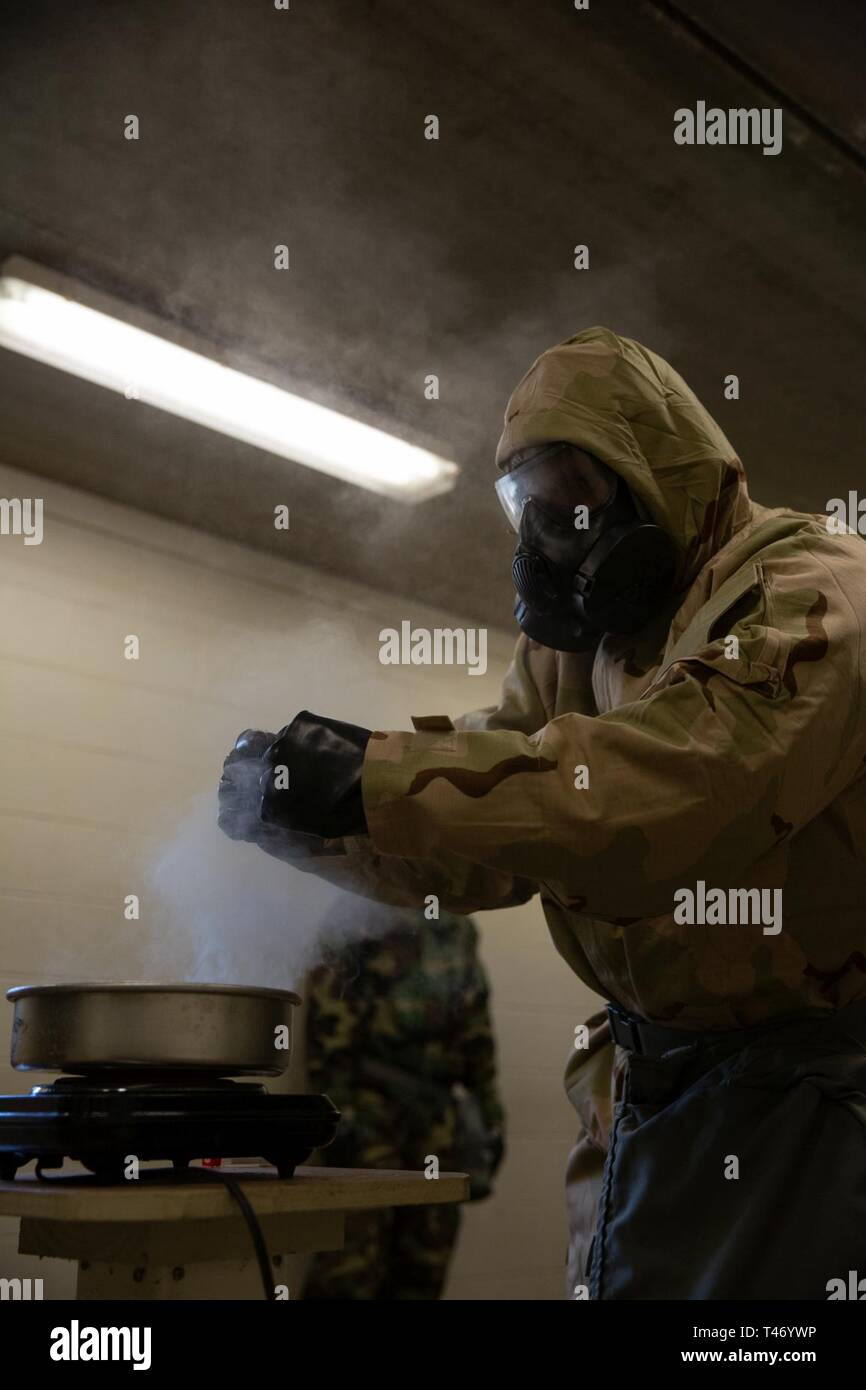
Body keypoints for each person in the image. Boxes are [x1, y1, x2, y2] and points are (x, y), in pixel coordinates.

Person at [219, 325, 866, 1300]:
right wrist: (301, 810)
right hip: (649, 1092)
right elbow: (486, 827)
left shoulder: (812, 594)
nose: (546, 534)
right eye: (526, 507)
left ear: (658, 475)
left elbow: (657, 802)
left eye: (569, 499)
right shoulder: (586, 645)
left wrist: (375, 778)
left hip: (808, 1099)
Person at [302, 904, 504, 1300]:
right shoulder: (356, 911)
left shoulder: (457, 926)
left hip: (436, 1116)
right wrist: (341, 1114)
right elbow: (330, 1022)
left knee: (426, 1265)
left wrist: (489, 1111)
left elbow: (475, 1020)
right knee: (351, 1269)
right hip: (370, 1111)